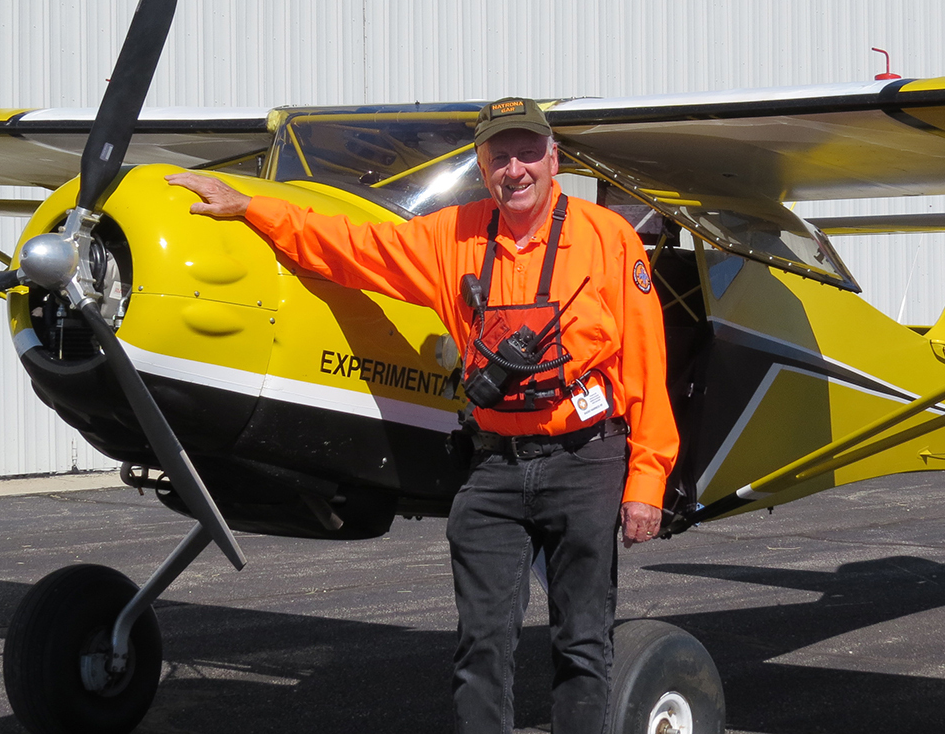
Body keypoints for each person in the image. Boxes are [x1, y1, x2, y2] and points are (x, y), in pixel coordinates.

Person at [166, 97, 679, 733]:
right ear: (483, 166)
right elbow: (354, 248)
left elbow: (646, 366)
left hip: (585, 459)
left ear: (554, 159)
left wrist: (647, 482)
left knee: (582, 643)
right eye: (499, 157)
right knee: (482, 644)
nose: (514, 169)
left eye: (527, 153)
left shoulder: (610, 239)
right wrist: (252, 206)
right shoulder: (452, 234)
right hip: (492, 466)